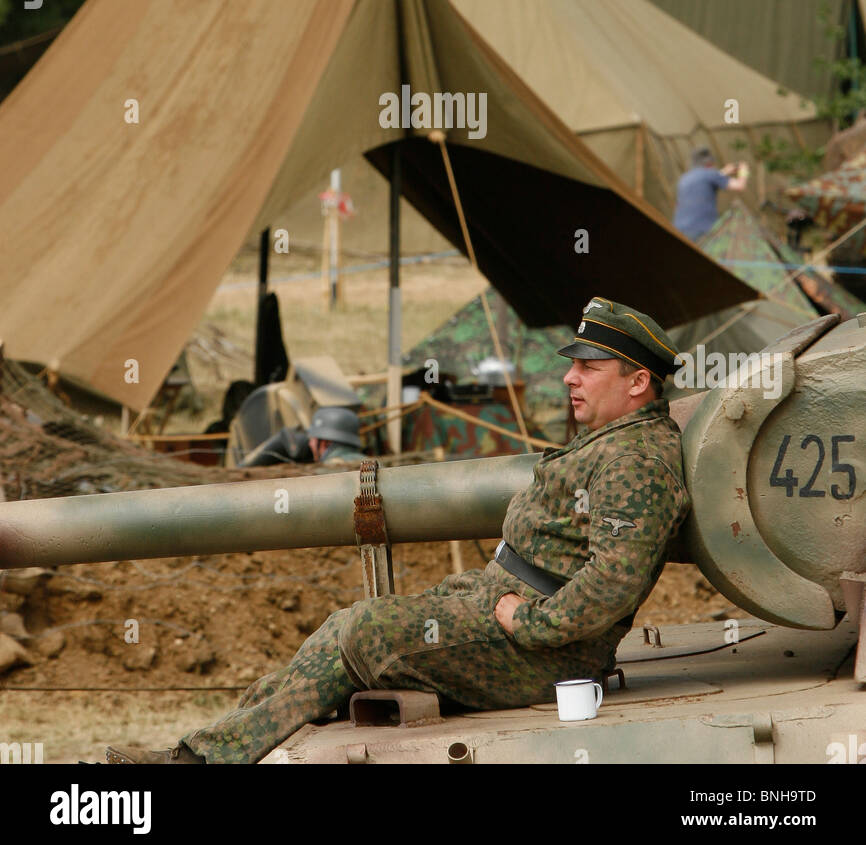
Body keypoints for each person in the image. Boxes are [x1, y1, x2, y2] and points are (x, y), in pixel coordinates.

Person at [105, 296, 690, 765]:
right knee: (347, 629)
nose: (569, 378)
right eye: (572, 364)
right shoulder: (616, 441)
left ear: (638, 382)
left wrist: (528, 620)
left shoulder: (636, 461)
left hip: (547, 652)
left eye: (589, 368)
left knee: (366, 631)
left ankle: (197, 760)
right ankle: (201, 754)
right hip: (508, 608)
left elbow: (613, 579)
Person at [673, 146, 748, 242]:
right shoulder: (711, 174)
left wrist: (724, 171)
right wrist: (744, 171)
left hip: (679, 229)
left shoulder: (685, 178)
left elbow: (708, 180)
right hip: (702, 230)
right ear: (710, 162)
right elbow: (740, 186)